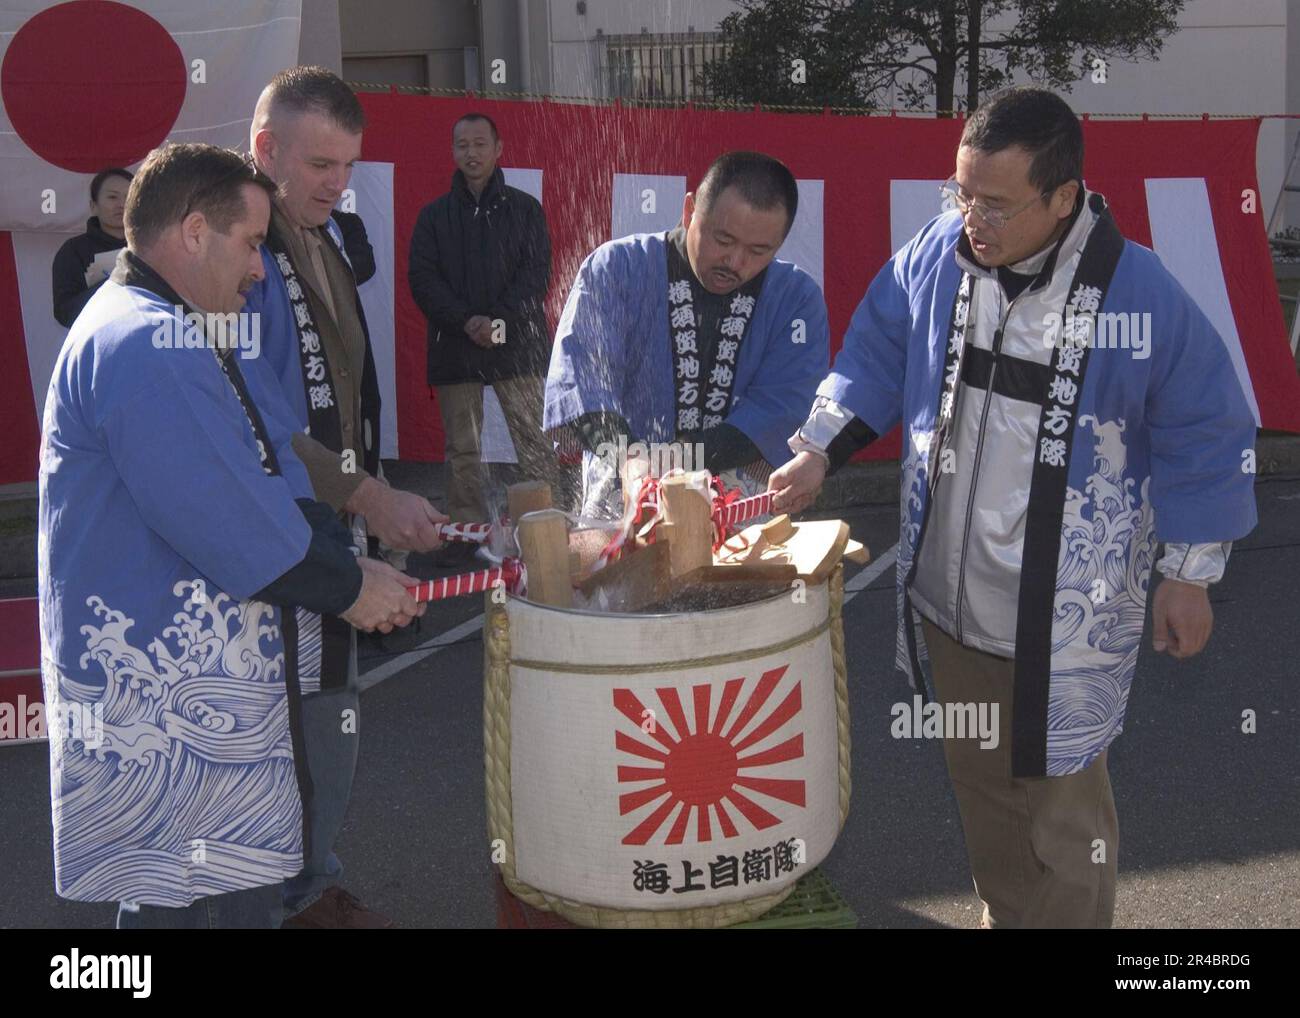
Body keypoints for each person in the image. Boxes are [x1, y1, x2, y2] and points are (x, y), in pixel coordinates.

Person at [769, 86, 1258, 928]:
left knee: (1065, 818)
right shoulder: (936, 256)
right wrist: (819, 448)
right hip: (949, 600)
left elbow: (1207, 424)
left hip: (1065, 617)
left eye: (995, 202)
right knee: (984, 793)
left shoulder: (1133, 292)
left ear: (1062, 197)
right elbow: (878, 350)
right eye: (963, 193)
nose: (973, 218)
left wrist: (1189, 574)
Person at [38, 142, 423, 929]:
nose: (259, 270)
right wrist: (351, 586)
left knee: (210, 885)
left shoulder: (172, 326)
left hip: (189, 683)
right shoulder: (145, 342)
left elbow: (274, 454)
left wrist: (363, 515)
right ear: (191, 233)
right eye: (251, 244)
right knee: (183, 899)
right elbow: (224, 516)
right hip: (164, 691)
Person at [246, 65, 447, 928]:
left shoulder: (320, 238)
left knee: (330, 704)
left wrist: (372, 493)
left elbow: (336, 395)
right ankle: (289, 890)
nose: (338, 182)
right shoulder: (241, 252)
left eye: (348, 164)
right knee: (286, 716)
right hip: (274, 528)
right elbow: (261, 418)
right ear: (265, 150)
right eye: (320, 163)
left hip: (325, 516)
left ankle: (311, 876)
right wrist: (366, 498)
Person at [544, 150, 829, 516]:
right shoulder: (616, 269)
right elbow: (582, 384)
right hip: (623, 481)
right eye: (723, 240)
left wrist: (676, 460)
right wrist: (632, 460)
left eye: (760, 250)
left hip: (734, 495)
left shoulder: (795, 298)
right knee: (618, 570)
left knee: (739, 571)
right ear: (689, 210)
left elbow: (783, 406)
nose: (735, 262)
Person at [409, 112, 556, 562]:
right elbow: (423, 278)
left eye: (479, 144)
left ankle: (546, 530)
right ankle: (466, 535)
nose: (471, 153)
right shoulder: (434, 216)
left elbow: (536, 275)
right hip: (455, 345)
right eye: (462, 146)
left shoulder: (524, 209)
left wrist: (499, 321)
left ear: (498, 150)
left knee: (534, 441)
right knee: (463, 451)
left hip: (518, 345)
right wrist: (465, 322)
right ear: (453, 152)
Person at [51, 167, 132, 327]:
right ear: (93, 206)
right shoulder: (73, 250)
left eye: (129, 197)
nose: (121, 205)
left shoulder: (152, 247)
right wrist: (114, 282)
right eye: (112, 197)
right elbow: (65, 313)